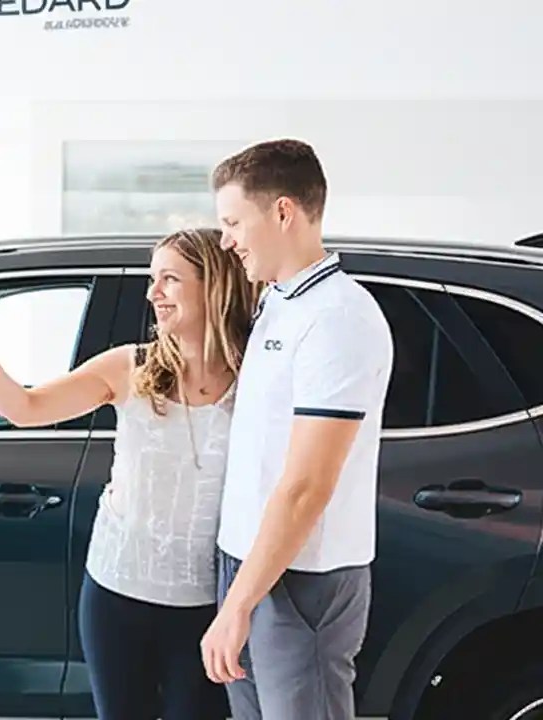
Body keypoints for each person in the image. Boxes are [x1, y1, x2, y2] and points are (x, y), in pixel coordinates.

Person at [0, 228, 261, 720]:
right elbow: (28, 408)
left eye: (169, 279)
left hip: (206, 603)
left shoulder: (258, 380)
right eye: (153, 279)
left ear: (214, 286)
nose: (153, 293)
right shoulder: (130, 366)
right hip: (116, 593)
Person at [200, 139, 394, 720]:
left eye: (234, 221)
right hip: (253, 562)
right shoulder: (279, 304)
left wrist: (239, 606)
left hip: (303, 577)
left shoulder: (338, 318)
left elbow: (306, 486)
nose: (226, 239)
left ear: (283, 212)